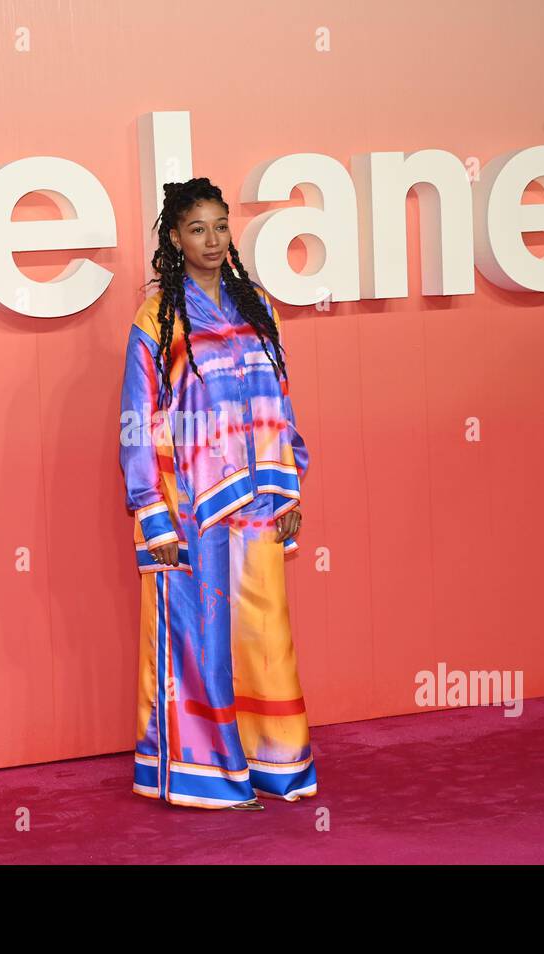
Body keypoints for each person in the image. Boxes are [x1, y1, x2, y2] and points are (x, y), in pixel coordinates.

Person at [119, 176, 317, 811]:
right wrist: (154, 515)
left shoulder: (257, 304)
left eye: (220, 227)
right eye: (196, 229)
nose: (211, 240)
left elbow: (280, 403)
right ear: (174, 239)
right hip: (191, 507)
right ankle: (209, 776)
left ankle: (273, 763)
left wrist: (289, 489)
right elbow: (136, 420)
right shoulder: (156, 317)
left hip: (259, 501)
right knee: (199, 636)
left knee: (264, 634)